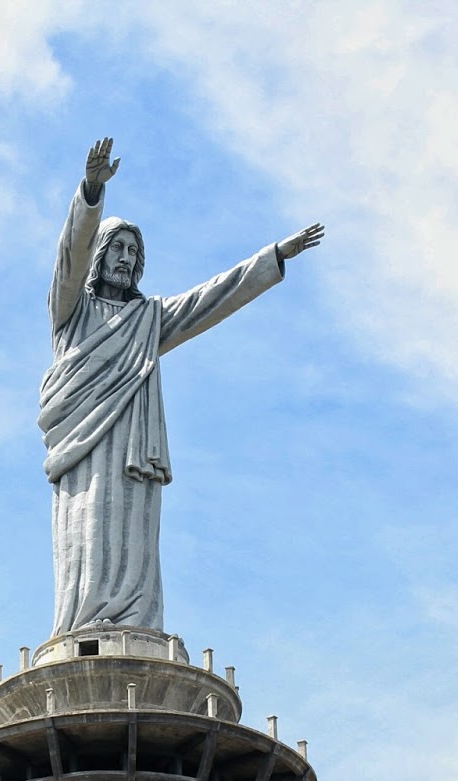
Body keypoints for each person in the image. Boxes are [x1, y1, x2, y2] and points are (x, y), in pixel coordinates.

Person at [40, 136, 325, 634]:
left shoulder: (149, 320)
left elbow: (212, 298)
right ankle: (84, 623)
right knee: (89, 529)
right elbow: (69, 259)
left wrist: (273, 257)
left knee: (133, 532)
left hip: (131, 450)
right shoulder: (73, 313)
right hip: (85, 452)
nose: (126, 258)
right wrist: (90, 193)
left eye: (134, 250)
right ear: (100, 257)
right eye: (118, 248)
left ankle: (135, 620)